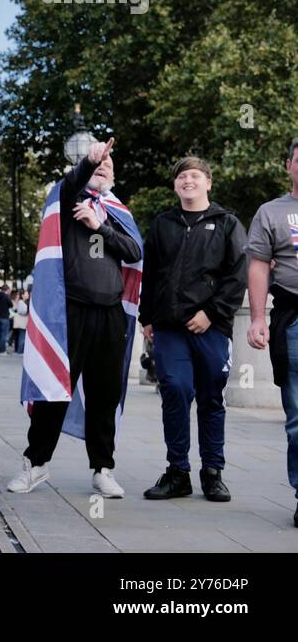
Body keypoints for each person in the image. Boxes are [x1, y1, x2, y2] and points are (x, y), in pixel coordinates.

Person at [7, 138, 141, 498]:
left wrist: (101, 226)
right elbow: (67, 184)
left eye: (107, 167)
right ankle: (35, 463)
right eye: (97, 166)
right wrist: (88, 162)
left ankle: (103, 469)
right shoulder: (68, 201)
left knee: (105, 395)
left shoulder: (116, 211)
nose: (102, 170)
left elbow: (134, 251)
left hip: (110, 314)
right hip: (70, 311)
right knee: (54, 391)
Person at [139, 156, 246, 502]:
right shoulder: (162, 224)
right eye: (182, 176)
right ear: (175, 185)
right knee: (175, 389)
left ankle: (213, 472)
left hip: (211, 329)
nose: (188, 181)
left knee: (211, 398)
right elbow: (150, 273)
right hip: (170, 327)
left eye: (195, 176)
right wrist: (147, 317)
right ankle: (177, 471)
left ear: (208, 183)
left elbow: (237, 275)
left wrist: (211, 314)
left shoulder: (228, 224)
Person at [244, 138, 298, 528]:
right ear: (289, 165)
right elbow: (259, 265)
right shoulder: (271, 212)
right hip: (293, 320)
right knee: (297, 419)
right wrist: (258, 318)